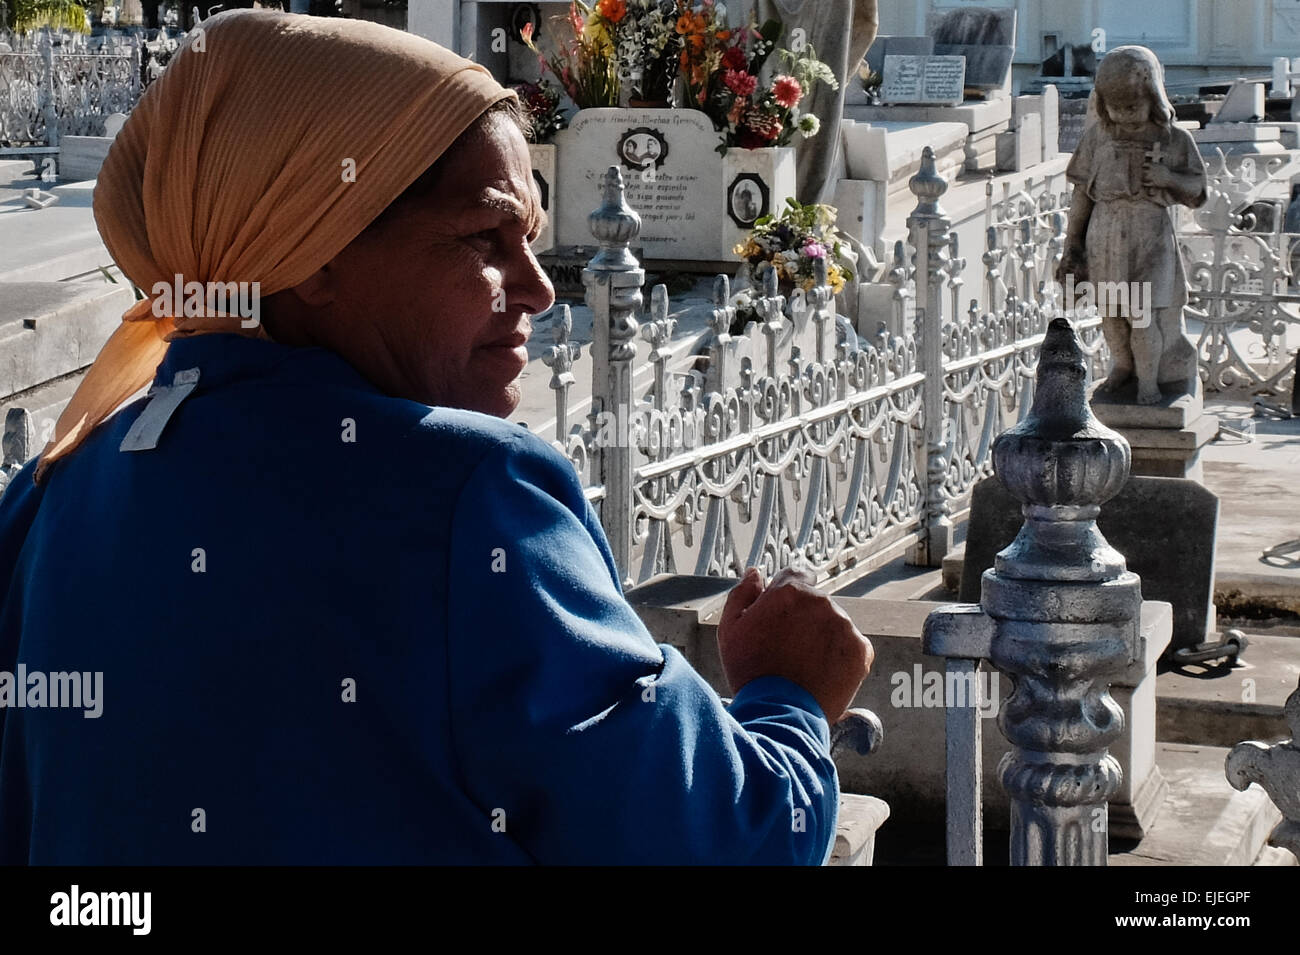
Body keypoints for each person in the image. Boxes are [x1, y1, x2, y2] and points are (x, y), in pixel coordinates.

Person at [0, 10, 872, 865]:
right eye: (483, 239)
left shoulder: (53, 491)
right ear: (315, 251)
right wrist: (789, 696)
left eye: (529, 238)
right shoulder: (470, 500)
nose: (535, 290)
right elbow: (712, 837)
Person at [1059, 45, 1207, 405]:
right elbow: (1082, 196)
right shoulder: (1098, 138)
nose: (1125, 116)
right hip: (1106, 233)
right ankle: (1122, 366)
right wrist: (1072, 244)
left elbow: (1197, 191)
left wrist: (1168, 177)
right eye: (1116, 108)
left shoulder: (1173, 139)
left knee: (1143, 314)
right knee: (1111, 313)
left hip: (1149, 235)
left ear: (1153, 97)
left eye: (1134, 108)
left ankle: (1149, 382)